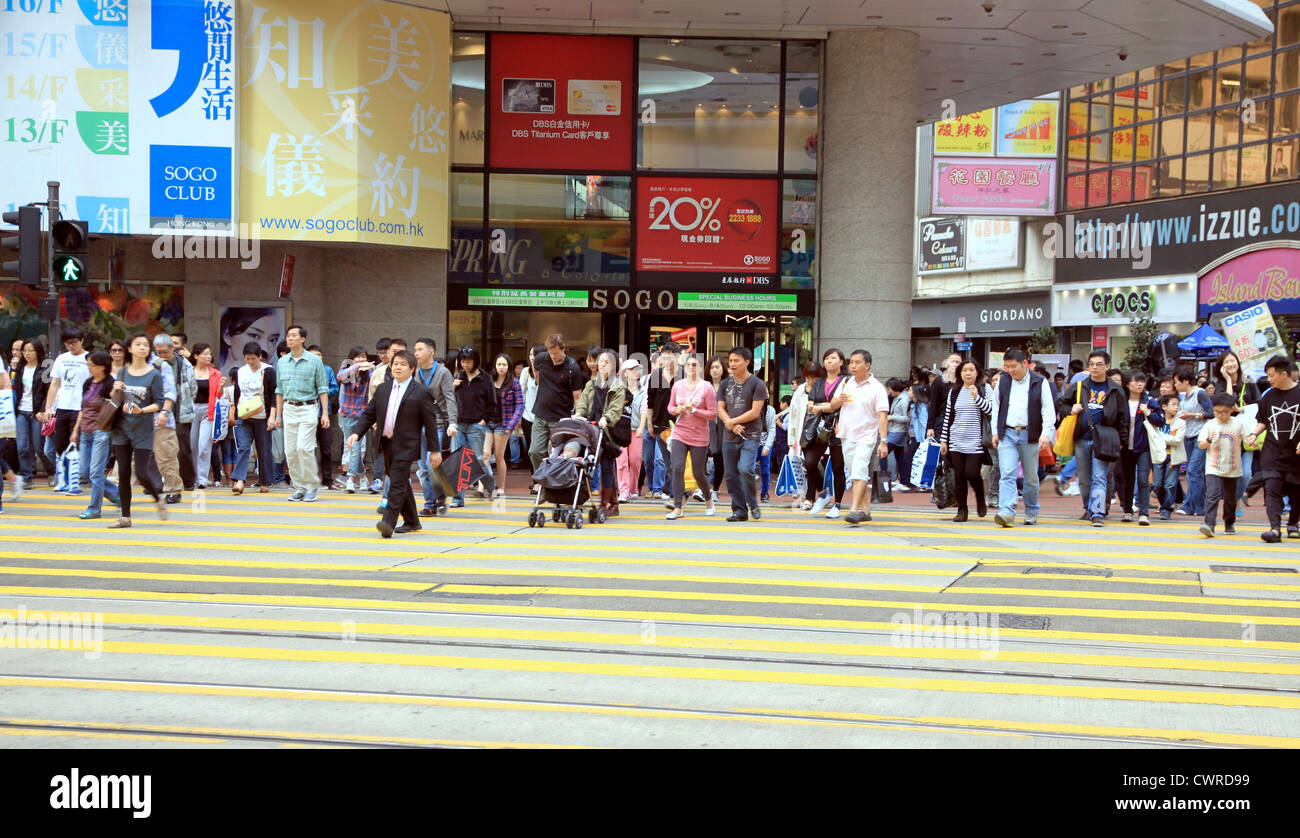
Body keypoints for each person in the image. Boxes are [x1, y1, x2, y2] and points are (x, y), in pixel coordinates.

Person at [347, 350, 441, 538]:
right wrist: (356, 433)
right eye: (395, 363)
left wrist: (435, 450)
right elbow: (369, 414)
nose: (398, 367)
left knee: (397, 481)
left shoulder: (421, 392)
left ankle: (388, 522)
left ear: (412, 369)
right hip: (386, 443)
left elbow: (430, 423)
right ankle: (412, 521)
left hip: (407, 445)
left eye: (403, 364)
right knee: (400, 481)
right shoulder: (384, 389)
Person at [1058, 350, 1130, 527]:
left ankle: (1097, 512)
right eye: (1091, 364)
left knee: (1099, 477)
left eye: (1098, 364)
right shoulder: (1080, 386)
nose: (1094, 367)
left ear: (1107, 366)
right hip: (1082, 439)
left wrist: (1122, 441)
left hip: (1104, 440)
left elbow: (1123, 418)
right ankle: (1088, 508)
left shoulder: (1115, 390)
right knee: (1084, 478)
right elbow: (1061, 405)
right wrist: (1070, 410)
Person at [991, 348, 1057, 527]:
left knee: (1031, 477)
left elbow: (1048, 410)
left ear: (1024, 363)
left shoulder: (1039, 382)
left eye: (1013, 366)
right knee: (1007, 473)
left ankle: (1031, 510)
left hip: (1030, 434)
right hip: (1007, 433)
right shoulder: (1003, 381)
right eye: (1007, 367)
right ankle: (1006, 510)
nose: (1010, 370)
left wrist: (1045, 434)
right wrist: (995, 431)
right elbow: (996, 408)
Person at [108, 333, 168, 529]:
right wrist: (114, 388)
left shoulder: (154, 374)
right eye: (138, 344)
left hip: (142, 428)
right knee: (123, 472)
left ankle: (158, 499)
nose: (142, 347)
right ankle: (125, 517)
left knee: (141, 472)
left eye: (145, 344)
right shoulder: (123, 372)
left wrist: (142, 410)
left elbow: (159, 402)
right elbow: (113, 399)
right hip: (121, 428)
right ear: (130, 349)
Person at [825, 349, 889, 525]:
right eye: (851, 362)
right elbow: (832, 405)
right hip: (847, 434)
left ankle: (853, 510)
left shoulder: (877, 388)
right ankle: (865, 511)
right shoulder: (847, 383)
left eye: (857, 362)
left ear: (867, 365)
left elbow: (882, 416)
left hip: (866, 436)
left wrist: (883, 441)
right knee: (855, 474)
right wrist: (841, 400)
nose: (852, 365)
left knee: (860, 470)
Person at [1246, 355, 1300, 543]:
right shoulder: (1268, 396)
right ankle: (1274, 528)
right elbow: (1263, 420)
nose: (1269, 379)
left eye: (1271, 375)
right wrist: (1254, 434)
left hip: (1296, 455)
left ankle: (1293, 523)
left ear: (1283, 374)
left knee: (1296, 492)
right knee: (1272, 488)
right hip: (1272, 452)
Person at [273, 324, 330, 503]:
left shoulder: (314, 361)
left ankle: (312, 485)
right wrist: (278, 416)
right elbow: (279, 391)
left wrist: (325, 413)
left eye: (294, 335)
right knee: (290, 451)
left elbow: (322, 388)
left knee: (304, 448)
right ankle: (299, 487)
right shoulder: (282, 362)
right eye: (288, 335)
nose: (290, 338)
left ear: (303, 339)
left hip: (308, 408)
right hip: (289, 408)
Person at [573, 349, 630, 518]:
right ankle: (579, 498)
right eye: (601, 361)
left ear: (613, 366)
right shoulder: (590, 385)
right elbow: (582, 405)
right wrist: (578, 414)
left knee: (606, 466)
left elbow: (615, 409)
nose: (602, 364)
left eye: (607, 362)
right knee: (583, 464)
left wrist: (606, 418)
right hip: (590, 430)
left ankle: (610, 504)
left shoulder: (618, 386)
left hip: (607, 432)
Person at [717, 347, 769, 522]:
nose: (732, 364)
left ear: (747, 362)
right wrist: (731, 425)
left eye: (736, 360)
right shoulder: (725, 384)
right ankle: (739, 510)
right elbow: (720, 408)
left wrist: (733, 421)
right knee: (731, 475)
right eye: (730, 361)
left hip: (751, 434)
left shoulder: (757, 384)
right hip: (729, 436)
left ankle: (752, 502)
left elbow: (755, 412)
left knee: (745, 468)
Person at [940, 359, 995, 522]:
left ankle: (979, 498)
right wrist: (944, 440)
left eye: (971, 370)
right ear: (960, 373)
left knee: (971, 473)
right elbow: (948, 417)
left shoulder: (985, 389)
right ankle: (962, 509)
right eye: (964, 370)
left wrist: (976, 397)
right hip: (956, 439)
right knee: (959, 477)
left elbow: (990, 410)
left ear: (977, 372)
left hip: (976, 441)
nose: (968, 373)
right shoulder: (954, 391)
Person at [664, 354, 717, 519]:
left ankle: (708, 499)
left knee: (698, 472)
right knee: (677, 467)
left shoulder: (707, 388)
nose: (691, 368)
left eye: (695, 365)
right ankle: (678, 507)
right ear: (684, 367)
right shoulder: (677, 386)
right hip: (680, 432)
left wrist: (694, 410)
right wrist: (675, 410)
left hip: (699, 435)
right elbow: (670, 406)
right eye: (688, 365)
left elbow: (713, 414)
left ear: (700, 368)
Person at [69, 350, 120, 519]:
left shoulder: (110, 384)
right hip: (85, 432)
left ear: (102, 367)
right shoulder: (88, 383)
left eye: (91, 365)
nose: (88, 368)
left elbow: (114, 405)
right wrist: (76, 430)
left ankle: (94, 508)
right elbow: (83, 409)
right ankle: (115, 493)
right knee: (85, 472)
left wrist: (116, 392)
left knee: (95, 473)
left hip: (101, 432)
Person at [412, 338, 458, 514]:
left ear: (431, 352)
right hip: (419, 426)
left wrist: (452, 422)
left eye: (420, 349)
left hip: (437, 425)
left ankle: (438, 498)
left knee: (433, 466)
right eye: (415, 350)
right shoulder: (416, 373)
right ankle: (430, 503)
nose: (416, 353)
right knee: (423, 468)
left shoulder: (443, 373)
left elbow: (449, 398)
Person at [40, 326, 90, 486]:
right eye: (68, 343)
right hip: (62, 407)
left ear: (81, 341)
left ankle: (75, 480)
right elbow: (55, 383)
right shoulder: (61, 359)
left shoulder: (89, 359)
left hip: (81, 408)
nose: (71, 346)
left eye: (74, 342)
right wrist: (48, 408)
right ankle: (63, 480)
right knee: (60, 445)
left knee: (75, 445)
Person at [1198, 391, 1251, 537]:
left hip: (1233, 468)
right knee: (1212, 495)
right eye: (1217, 412)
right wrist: (1208, 440)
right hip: (1213, 467)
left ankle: (1229, 522)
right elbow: (1201, 445)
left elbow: (1247, 441)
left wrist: (1251, 440)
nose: (1221, 415)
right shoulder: (1210, 425)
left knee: (1230, 498)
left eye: (1225, 412)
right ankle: (1209, 524)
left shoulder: (1239, 424)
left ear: (1232, 410)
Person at [529, 334, 584, 473]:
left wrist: (579, 415)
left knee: (555, 454)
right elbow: (535, 367)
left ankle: (553, 481)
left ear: (563, 349)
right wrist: (538, 380)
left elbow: (577, 395)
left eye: (556, 353)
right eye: (550, 353)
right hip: (541, 415)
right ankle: (542, 477)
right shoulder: (542, 358)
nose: (553, 356)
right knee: (534, 451)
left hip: (560, 418)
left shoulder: (572, 367)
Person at [450, 346, 499, 505]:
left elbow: (492, 403)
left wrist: (483, 421)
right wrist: (452, 386)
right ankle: (458, 498)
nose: (466, 365)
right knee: (459, 462)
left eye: (469, 362)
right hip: (459, 424)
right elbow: (449, 400)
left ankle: (491, 486)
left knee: (478, 461)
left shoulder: (486, 379)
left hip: (476, 426)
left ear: (476, 361)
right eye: (463, 361)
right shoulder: (458, 378)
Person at [804, 349, 849, 519]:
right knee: (809, 462)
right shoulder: (819, 382)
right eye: (826, 358)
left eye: (833, 358)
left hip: (839, 427)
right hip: (819, 427)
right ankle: (822, 493)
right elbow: (810, 403)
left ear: (841, 362)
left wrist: (821, 406)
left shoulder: (847, 381)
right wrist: (825, 405)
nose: (829, 361)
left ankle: (837, 504)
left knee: (838, 467)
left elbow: (838, 404)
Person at [1213, 349, 1260, 506]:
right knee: (1230, 473)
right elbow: (1226, 402)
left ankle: (1237, 498)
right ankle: (1232, 502)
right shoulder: (1219, 386)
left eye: (1233, 360)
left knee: (1246, 474)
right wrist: (1227, 380)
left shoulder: (1249, 382)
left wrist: (1244, 409)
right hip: (1228, 434)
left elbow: (1259, 405)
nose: (1231, 364)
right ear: (1221, 366)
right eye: (1226, 362)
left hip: (1246, 434)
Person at [1115, 370, 1163, 526]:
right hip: (1125, 447)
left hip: (1144, 447)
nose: (1139, 384)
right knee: (1127, 480)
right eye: (1136, 381)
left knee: (1143, 480)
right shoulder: (1121, 401)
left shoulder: (1149, 401)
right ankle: (1128, 511)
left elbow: (1160, 421)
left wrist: (1148, 412)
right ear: (1127, 384)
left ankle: (1143, 513)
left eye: (1142, 381)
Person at [231, 342, 277, 495]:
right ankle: (239, 480)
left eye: (253, 358)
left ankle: (265, 481)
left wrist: (272, 416)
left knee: (263, 450)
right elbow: (238, 392)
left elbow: (273, 395)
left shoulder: (268, 371)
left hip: (262, 416)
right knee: (243, 447)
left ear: (259, 357)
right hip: (244, 415)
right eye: (247, 358)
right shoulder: (241, 372)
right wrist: (237, 412)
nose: (250, 362)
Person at [646, 341, 683, 507]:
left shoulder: (685, 375)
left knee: (678, 462)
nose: (667, 360)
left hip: (681, 426)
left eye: (670, 357)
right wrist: (649, 423)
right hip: (660, 425)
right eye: (664, 357)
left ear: (677, 356)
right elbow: (650, 402)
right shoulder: (656, 375)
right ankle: (680, 495)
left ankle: (679, 497)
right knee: (668, 464)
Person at [13, 338, 53, 487]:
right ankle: (26, 477)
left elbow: (47, 391)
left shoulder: (43, 369)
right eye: (25, 350)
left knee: (39, 448)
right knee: (22, 447)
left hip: (37, 413)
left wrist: (43, 410)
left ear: (38, 351)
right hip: (21, 411)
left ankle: (52, 471)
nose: (27, 354)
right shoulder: (20, 368)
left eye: (31, 350)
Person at [1174, 365, 1213, 517]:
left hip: (1200, 436)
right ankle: (1196, 506)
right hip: (1188, 437)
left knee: (1193, 471)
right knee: (1194, 472)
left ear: (1185, 381)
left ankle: (1195, 506)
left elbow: (1211, 413)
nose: (1176, 385)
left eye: (1177, 382)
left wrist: (1192, 415)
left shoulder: (1200, 393)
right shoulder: (1184, 398)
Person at [337, 347, 374, 493]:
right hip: (346, 414)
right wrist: (357, 366)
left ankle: (351, 479)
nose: (361, 359)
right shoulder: (347, 369)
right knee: (353, 446)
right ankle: (363, 476)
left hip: (362, 417)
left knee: (355, 446)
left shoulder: (369, 373)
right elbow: (340, 377)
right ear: (352, 358)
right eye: (357, 357)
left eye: (363, 357)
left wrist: (366, 368)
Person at [187, 343, 222, 490]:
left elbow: (218, 395)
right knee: (192, 445)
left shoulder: (215, 373)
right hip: (191, 410)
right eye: (205, 354)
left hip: (208, 410)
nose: (209, 356)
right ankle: (193, 476)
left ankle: (202, 478)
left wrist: (220, 388)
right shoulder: (189, 372)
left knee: (204, 445)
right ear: (196, 356)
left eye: (209, 354)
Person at [488, 353, 524, 498]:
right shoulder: (489, 380)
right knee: (484, 455)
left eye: (504, 365)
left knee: (498, 456)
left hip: (503, 424)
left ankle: (501, 487)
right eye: (498, 364)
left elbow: (520, 405)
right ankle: (484, 486)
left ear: (508, 367)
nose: (501, 367)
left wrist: (512, 424)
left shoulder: (514, 382)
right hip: (487, 422)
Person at [307, 345, 340, 490]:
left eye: (319, 355)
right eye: (313, 355)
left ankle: (327, 480)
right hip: (306, 414)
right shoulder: (304, 370)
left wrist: (321, 391)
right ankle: (309, 479)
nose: (316, 357)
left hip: (323, 414)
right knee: (307, 449)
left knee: (326, 448)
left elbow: (335, 388)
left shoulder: (327, 370)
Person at [785, 364, 817, 509]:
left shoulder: (822, 389)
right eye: (808, 376)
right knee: (800, 465)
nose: (811, 380)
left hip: (817, 436)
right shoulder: (799, 390)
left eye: (814, 376)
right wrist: (791, 439)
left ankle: (811, 497)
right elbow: (793, 414)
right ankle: (804, 494)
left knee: (811, 466)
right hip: (800, 435)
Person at [1152, 393, 1186, 520]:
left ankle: (1165, 509)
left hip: (1173, 456)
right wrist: (1166, 439)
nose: (1177, 407)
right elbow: (1152, 437)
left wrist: (1160, 438)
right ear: (1164, 406)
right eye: (1173, 404)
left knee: (1170, 484)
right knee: (1156, 484)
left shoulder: (1180, 423)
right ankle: (1164, 505)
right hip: (1158, 456)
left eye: (1178, 405)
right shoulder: (1156, 421)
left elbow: (1177, 440)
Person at [615, 358, 645, 503]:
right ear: (625, 373)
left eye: (637, 369)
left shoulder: (642, 391)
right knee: (621, 461)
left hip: (635, 429)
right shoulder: (618, 390)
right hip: (620, 429)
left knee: (635, 460)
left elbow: (644, 410)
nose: (636, 372)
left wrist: (641, 427)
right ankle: (623, 491)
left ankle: (633, 489)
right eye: (632, 369)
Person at [219, 307, 283, 373]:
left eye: (273, 340)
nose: (265, 349)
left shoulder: (272, 375)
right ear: (228, 336)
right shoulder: (218, 377)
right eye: (254, 336)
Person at [706, 355, 730, 502]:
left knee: (719, 460)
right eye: (712, 367)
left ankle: (715, 490)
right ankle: (701, 489)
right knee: (700, 459)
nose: (714, 370)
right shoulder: (704, 385)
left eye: (717, 367)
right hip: (706, 426)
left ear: (723, 369)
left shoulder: (728, 385)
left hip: (723, 427)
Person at [926, 352, 963, 440]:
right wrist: (930, 426)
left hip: (959, 420)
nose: (955, 364)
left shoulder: (963, 381)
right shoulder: (939, 381)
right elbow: (933, 405)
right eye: (952, 361)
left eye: (958, 362)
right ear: (947, 363)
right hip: (941, 420)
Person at [885, 378, 911, 490]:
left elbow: (907, 417)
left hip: (898, 431)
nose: (888, 391)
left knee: (882, 453)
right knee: (900, 457)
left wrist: (892, 417)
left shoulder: (903, 400)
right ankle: (903, 482)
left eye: (889, 389)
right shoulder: (897, 398)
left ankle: (884, 481)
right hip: (896, 430)